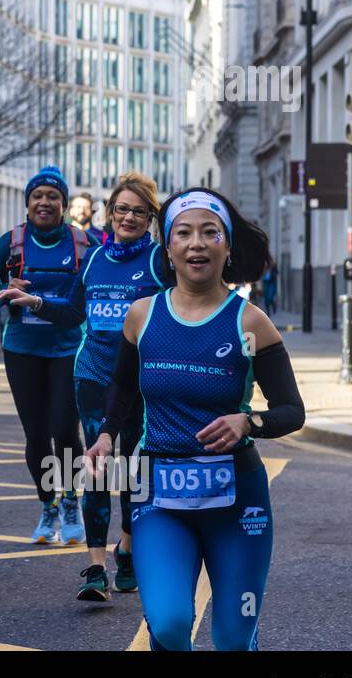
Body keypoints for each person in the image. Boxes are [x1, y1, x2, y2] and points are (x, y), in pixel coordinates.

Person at [85, 187, 305, 650]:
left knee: (232, 634)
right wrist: (106, 434)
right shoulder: (141, 316)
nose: (197, 243)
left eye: (210, 233)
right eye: (183, 233)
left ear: (227, 246)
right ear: (167, 248)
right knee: (167, 623)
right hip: (158, 492)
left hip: (237, 500)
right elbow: (123, 386)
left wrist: (250, 423)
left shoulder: (251, 322)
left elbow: (291, 410)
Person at [0, 171, 165, 601]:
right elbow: (73, 312)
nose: (128, 217)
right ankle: (94, 566)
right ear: (110, 213)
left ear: (149, 218)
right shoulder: (94, 259)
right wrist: (33, 302)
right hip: (92, 375)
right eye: (121, 209)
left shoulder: (161, 262)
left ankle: (127, 545)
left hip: (141, 382)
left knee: (134, 468)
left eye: (138, 211)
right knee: (96, 466)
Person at [0, 166, 95, 544]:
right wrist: (3, 287)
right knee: (36, 435)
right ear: (27, 203)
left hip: (68, 349)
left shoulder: (84, 244)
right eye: (38, 196)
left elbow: (94, 295)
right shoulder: (11, 242)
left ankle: (70, 500)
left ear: (64, 205)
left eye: (53, 196)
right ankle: (47, 503)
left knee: (65, 431)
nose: (45, 202)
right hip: (22, 351)